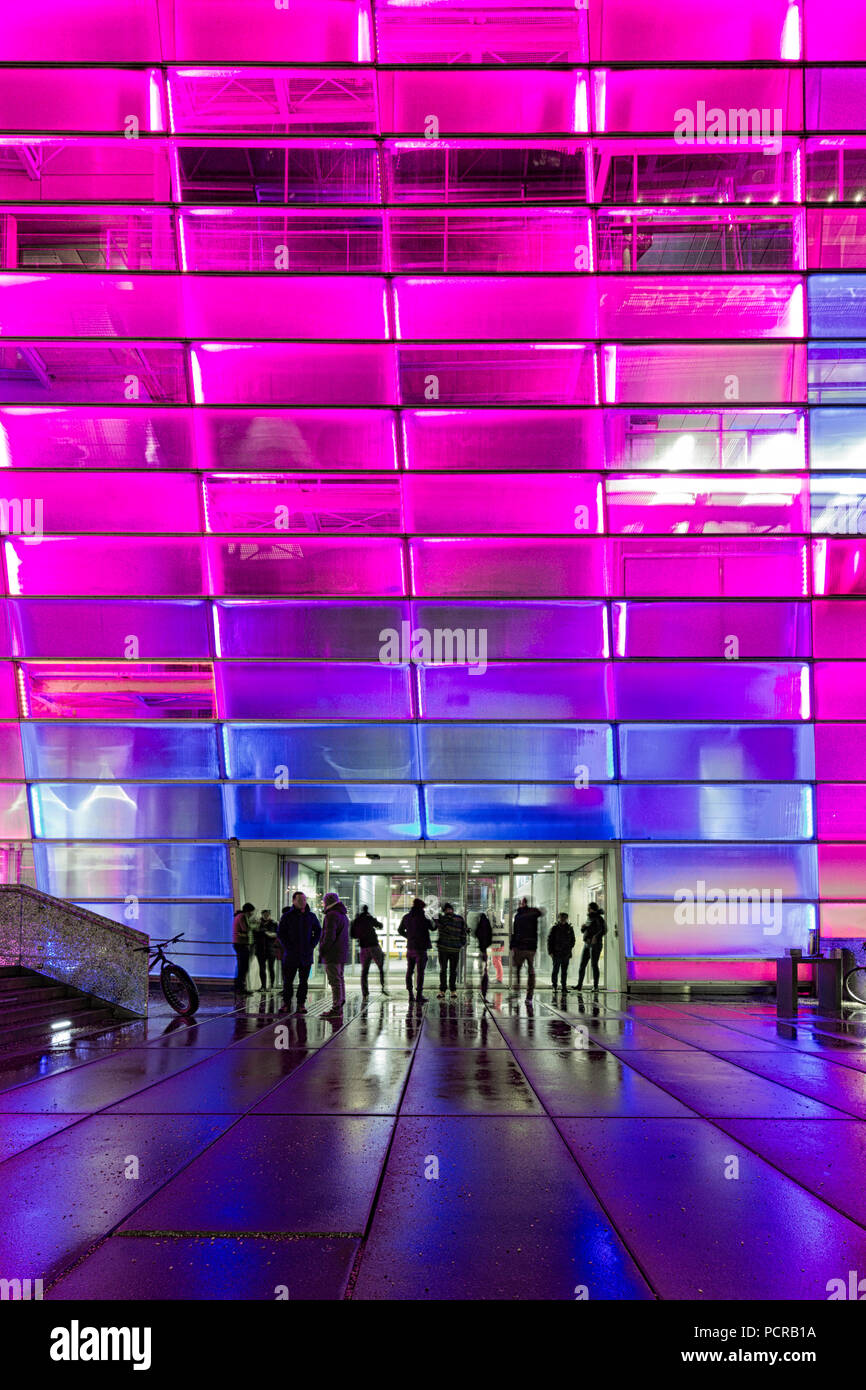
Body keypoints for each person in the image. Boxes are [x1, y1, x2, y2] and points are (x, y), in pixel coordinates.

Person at [277, 891, 321, 1013]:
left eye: (304, 900)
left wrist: (312, 945)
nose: (303, 902)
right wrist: (287, 946)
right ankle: (286, 1003)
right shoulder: (287, 916)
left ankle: (301, 1003)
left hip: (306, 955)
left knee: (303, 981)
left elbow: (318, 931)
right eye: (300, 900)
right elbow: (281, 933)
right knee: (288, 981)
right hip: (291, 955)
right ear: (293, 901)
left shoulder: (311, 916)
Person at [397, 897, 436, 1004]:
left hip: (410, 948)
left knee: (409, 971)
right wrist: (435, 920)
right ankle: (419, 995)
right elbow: (433, 928)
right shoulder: (425, 917)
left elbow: (400, 930)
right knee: (420, 973)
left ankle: (410, 994)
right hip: (421, 949)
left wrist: (409, 937)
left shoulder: (406, 917)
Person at [320, 890, 350, 1015]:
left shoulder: (331, 915)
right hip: (341, 952)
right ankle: (340, 1001)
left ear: (327, 902)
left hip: (332, 953)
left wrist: (322, 949)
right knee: (339, 978)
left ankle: (336, 1006)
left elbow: (329, 937)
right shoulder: (343, 915)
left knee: (334, 980)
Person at [351, 904, 389, 997]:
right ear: (367, 910)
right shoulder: (369, 918)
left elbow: (353, 935)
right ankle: (383, 987)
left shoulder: (356, 921)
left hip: (364, 947)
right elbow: (380, 925)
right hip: (373, 945)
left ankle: (365, 992)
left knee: (364, 971)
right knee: (380, 967)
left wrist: (361, 934)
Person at [510, 896, 544, 998]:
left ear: (521, 904)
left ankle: (517, 990)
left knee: (518, 969)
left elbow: (515, 932)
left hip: (520, 947)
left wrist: (512, 945)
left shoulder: (518, 916)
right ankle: (530, 992)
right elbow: (541, 912)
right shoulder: (533, 914)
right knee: (530, 968)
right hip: (531, 946)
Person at [435, 902, 467, 999]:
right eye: (447, 909)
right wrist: (461, 944)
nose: (448, 911)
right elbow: (464, 933)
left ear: (452, 909)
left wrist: (461, 943)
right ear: (444, 910)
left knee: (450, 971)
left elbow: (463, 932)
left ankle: (450, 990)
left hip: (449, 949)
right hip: (447, 949)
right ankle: (445, 990)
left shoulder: (458, 919)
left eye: (450, 909)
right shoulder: (441, 918)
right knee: (445, 970)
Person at [577, 902, 607, 990]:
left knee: (594, 964)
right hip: (587, 943)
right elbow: (586, 930)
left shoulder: (599, 918)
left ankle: (595, 986)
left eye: (589, 908)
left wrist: (596, 937)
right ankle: (579, 985)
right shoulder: (589, 918)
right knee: (582, 965)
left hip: (595, 944)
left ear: (593, 909)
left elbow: (604, 930)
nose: (587, 909)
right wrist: (583, 928)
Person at [547, 911, 576, 993]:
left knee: (564, 971)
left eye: (565, 918)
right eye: (561, 918)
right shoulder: (555, 928)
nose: (563, 919)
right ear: (559, 918)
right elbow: (550, 940)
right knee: (556, 970)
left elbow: (573, 940)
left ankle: (564, 987)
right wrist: (550, 952)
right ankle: (555, 986)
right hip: (557, 953)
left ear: (566, 919)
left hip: (565, 954)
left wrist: (569, 948)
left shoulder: (569, 928)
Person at [232, 902, 255, 996]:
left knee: (242, 966)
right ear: (248, 911)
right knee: (243, 967)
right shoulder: (242, 916)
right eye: (251, 912)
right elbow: (246, 928)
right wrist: (254, 925)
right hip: (241, 944)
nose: (252, 914)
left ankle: (239, 987)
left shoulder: (238, 916)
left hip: (239, 944)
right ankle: (240, 988)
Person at [252, 909, 279, 990]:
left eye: (267, 914)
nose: (266, 916)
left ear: (270, 915)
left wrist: (269, 934)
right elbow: (254, 934)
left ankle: (271, 985)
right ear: (262, 914)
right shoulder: (258, 923)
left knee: (271, 968)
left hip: (271, 949)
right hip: (260, 949)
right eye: (265, 914)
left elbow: (277, 934)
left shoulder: (274, 923)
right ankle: (263, 986)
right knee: (262, 968)